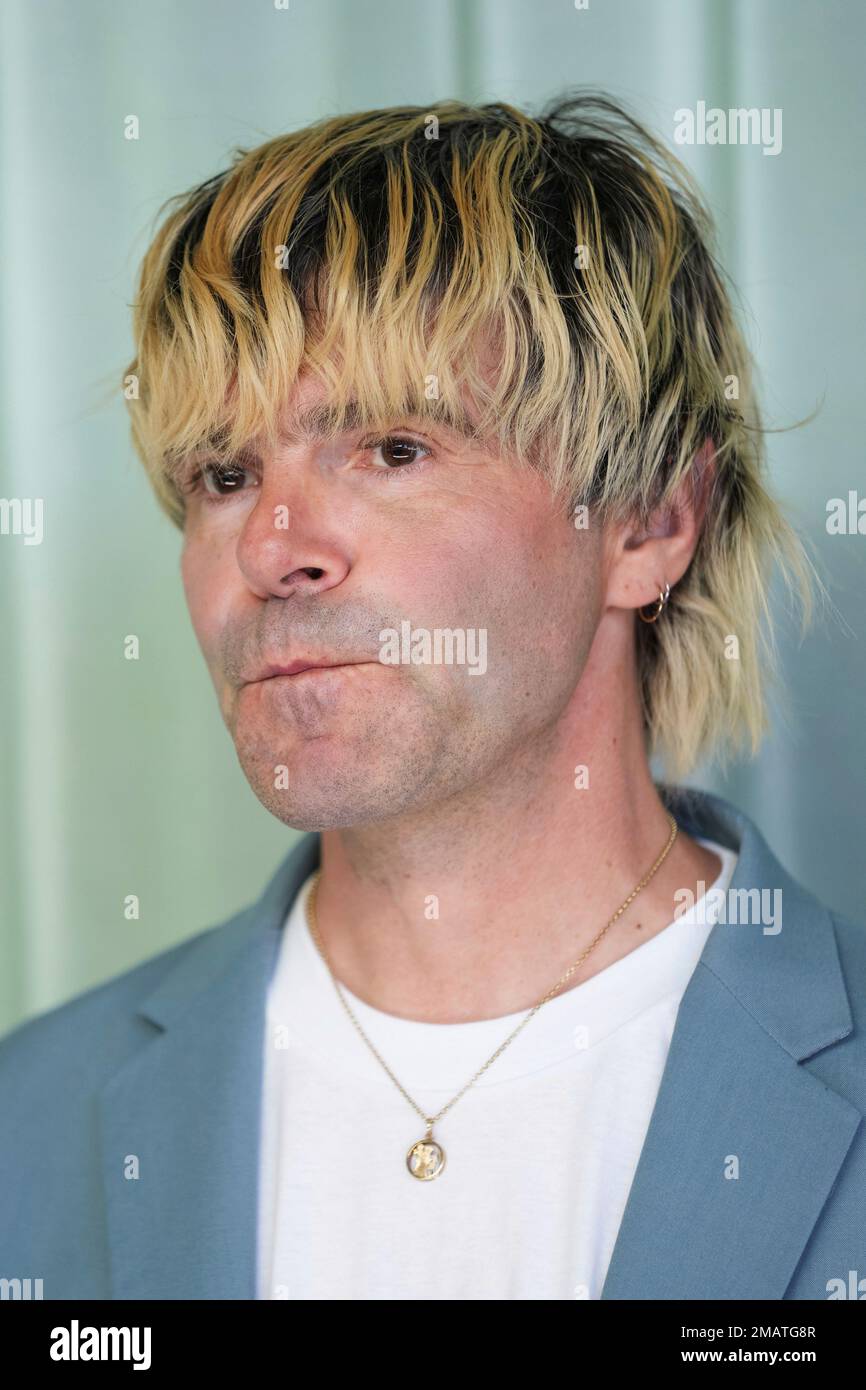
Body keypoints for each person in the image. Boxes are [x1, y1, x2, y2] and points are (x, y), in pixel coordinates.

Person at [2, 93, 864, 1302]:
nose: (271, 550)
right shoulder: (29, 1125)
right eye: (224, 473)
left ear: (648, 524)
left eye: (393, 450)